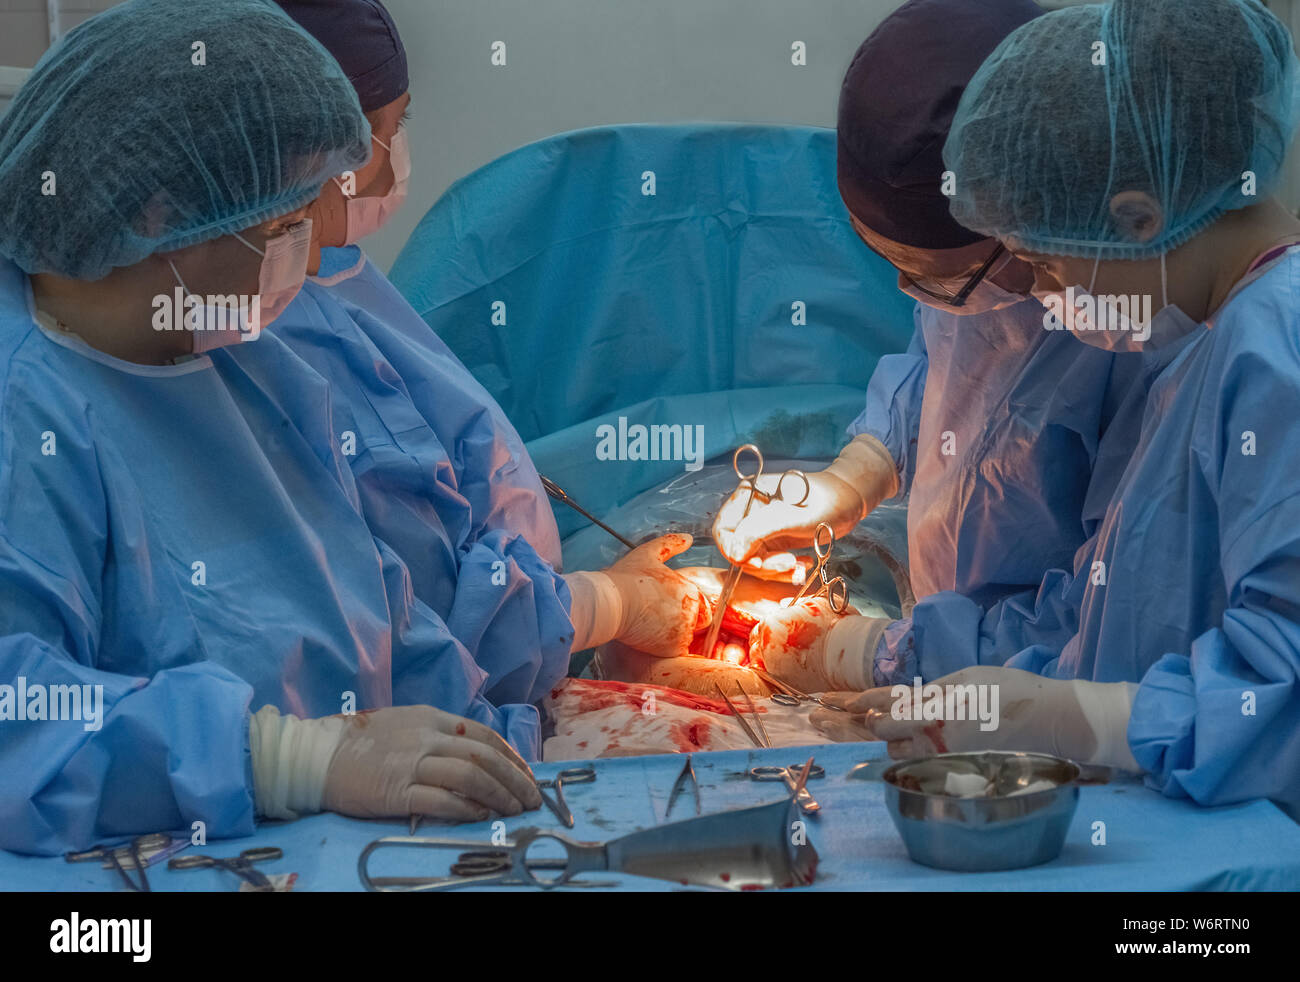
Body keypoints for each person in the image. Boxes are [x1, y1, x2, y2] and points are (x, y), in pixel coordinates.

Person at [0, 0, 706, 855]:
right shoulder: (28, 418)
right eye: (283, 226)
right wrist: (288, 760)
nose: (307, 253)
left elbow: (381, 610)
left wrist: (476, 722)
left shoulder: (246, 354)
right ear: (158, 218)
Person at [812, 0, 1300, 810]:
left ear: (1135, 219)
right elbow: (1111, 615)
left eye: (1039, 263)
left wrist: (1072, 721)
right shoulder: (1198, 353)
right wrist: (1000, 694)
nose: (1039, 298)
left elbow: (1279, 693)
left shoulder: (1277, 346)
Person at [720, 0, 1164, 694]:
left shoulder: (1137, 334)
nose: (914, 292)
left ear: (1035, 219)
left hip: (1042, 699)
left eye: (942, 278)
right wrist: (856, 472)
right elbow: (943, 365)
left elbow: (1110, 628)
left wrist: (884, 655)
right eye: (892, 264)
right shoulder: (991, 272)